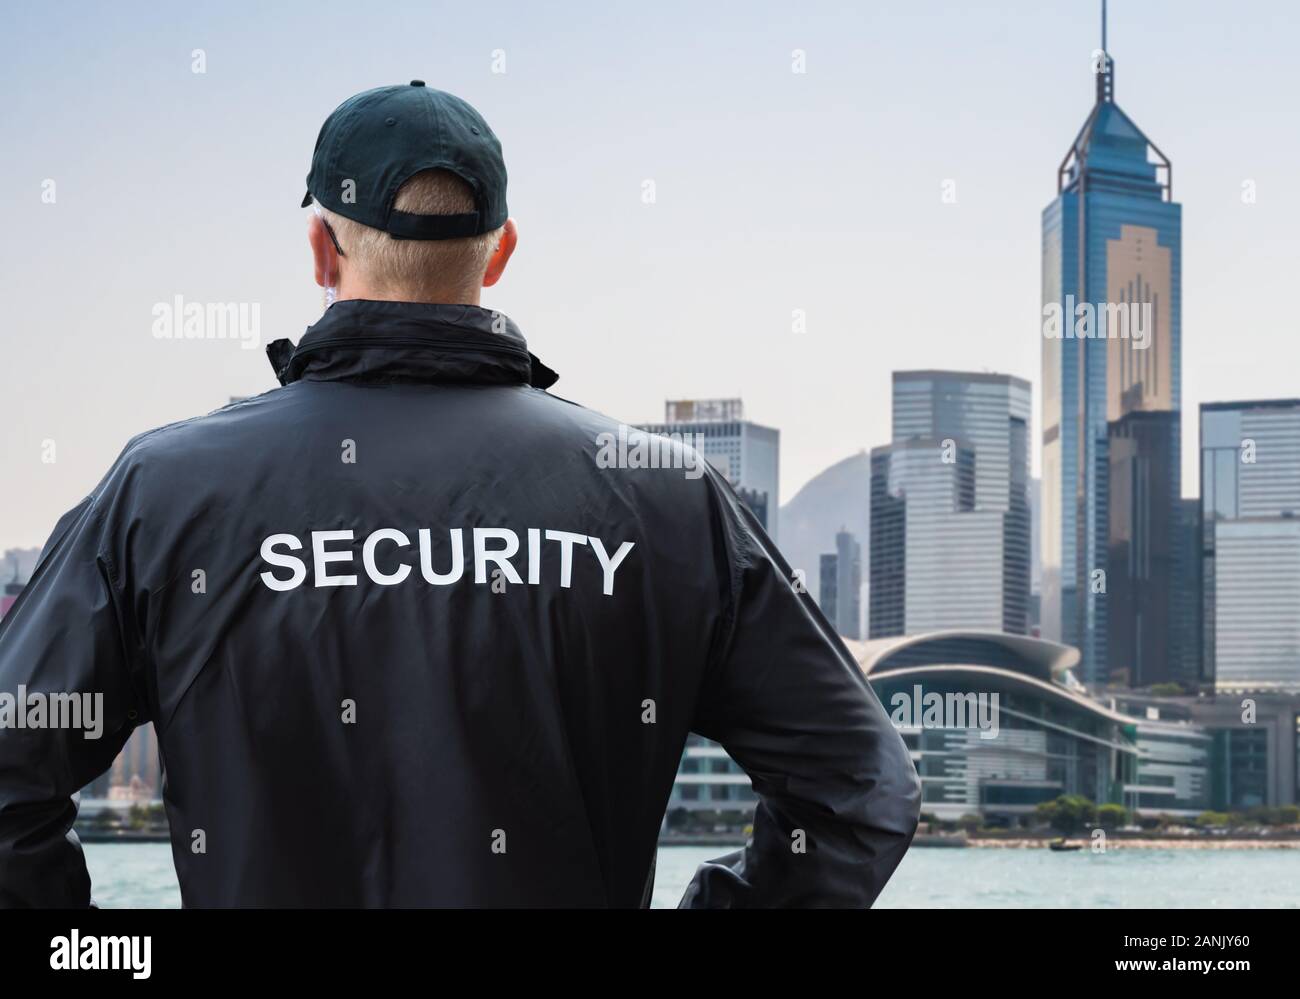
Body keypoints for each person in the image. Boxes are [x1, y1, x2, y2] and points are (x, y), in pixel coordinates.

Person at [0, 82, 919, 908]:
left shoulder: (167, 491)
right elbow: (859, 786)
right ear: (503, 250)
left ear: (321, 248)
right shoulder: (664, 498)